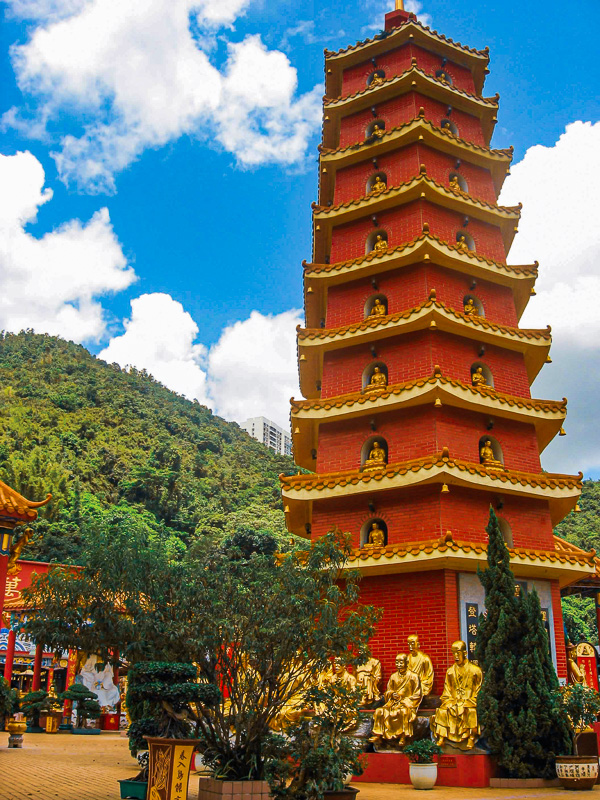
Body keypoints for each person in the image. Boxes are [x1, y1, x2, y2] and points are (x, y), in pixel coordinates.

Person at [432, 641, 482, 749]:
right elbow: (447, 691)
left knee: (471, 711)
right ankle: (441, 738)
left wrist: (467, 702)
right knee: (442, 711)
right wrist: (450, 701)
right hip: (453, 701)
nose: (455, 656)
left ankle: (471, 738)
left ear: (464, 653)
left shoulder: (475, 671)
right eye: (453, 653)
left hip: (469, 701)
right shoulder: (450, 671)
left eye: (458, 653)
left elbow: (478, 691)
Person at [369, 653, 422, 746]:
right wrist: (391, 694)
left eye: (401, 662)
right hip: (393, 703)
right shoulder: (393, 676)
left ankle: (403, 736)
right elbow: (387, 691)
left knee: (403, 713)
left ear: (407, 662)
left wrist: (404, 700)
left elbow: (417, 694)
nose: (399, 664)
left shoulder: (413, 677)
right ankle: (378, 734)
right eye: (397, 662)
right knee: (379, 711)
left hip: (406, 704)